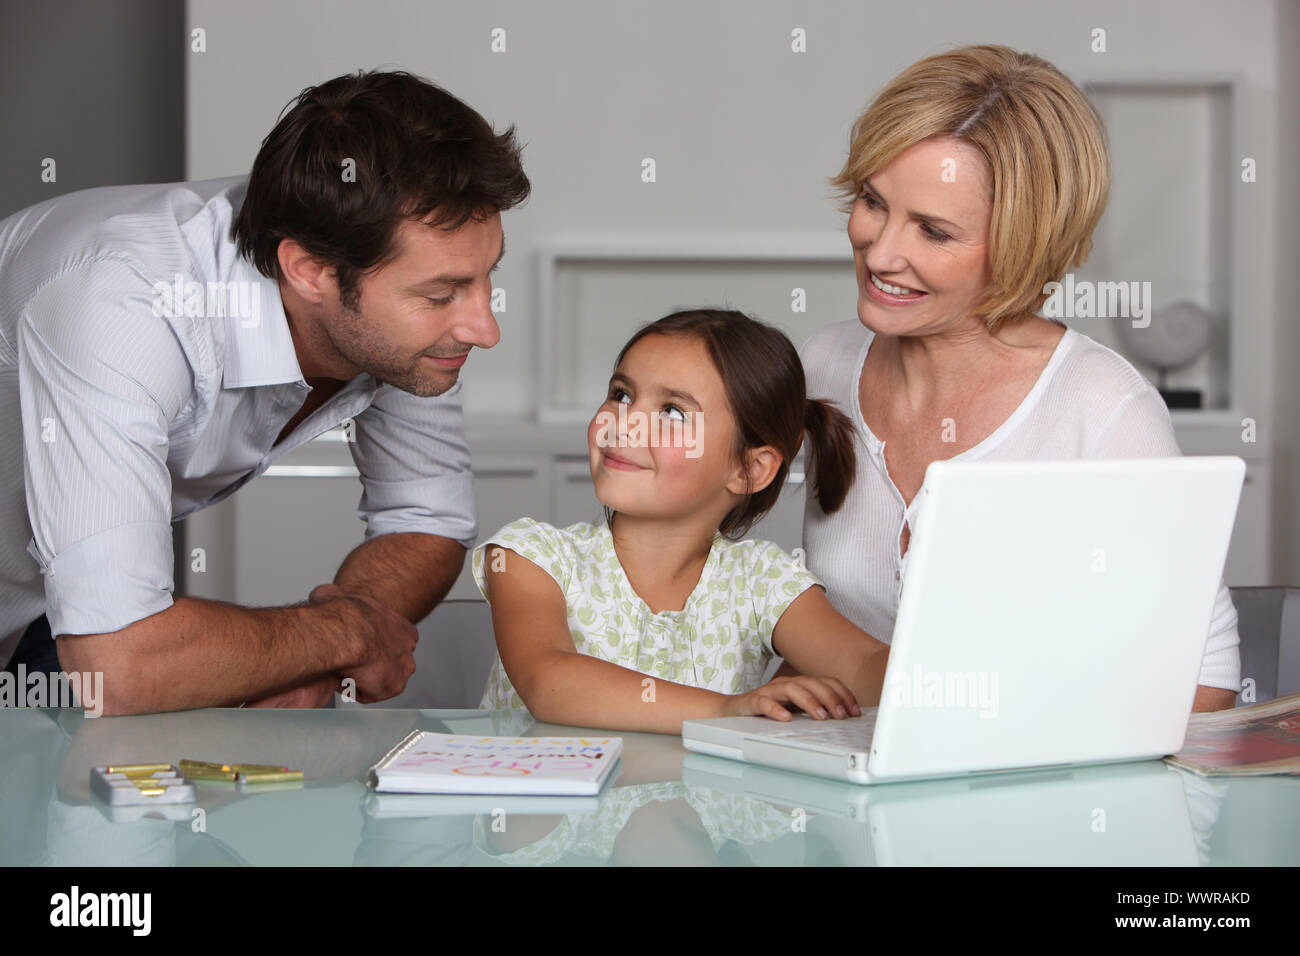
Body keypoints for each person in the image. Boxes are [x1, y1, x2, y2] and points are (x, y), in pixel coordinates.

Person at [0, 70, 529, 715]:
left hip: (61, 615)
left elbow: (428, 520)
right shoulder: (123, 304)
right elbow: (121, 664)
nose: (485, 328)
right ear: (308, 271)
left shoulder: (386, 313)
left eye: (485, 280)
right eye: (442, 294)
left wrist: (313, 662)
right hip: (94, 637)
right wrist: (343, 634)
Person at [799, 44, 1239, 712]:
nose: (881, 252)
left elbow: (1204, 688)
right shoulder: (823, 366)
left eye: (934, 232)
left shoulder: (1102, 409)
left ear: (1021, 247)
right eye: (872, 201)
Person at [473, 309, 890, 734]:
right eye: (621, 394)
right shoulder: (529, 556)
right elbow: (550, 682)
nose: (626, 423)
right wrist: (729, 710)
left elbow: (867, 666)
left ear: (750, 470)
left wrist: (948, 678)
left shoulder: (763, 581)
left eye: (672, 412)